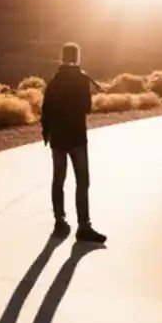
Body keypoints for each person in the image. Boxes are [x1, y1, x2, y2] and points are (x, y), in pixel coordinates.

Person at [41, 42, 107, 243]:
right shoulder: (81, 80)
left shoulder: (54, 81)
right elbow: (86, 108)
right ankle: (83, 226)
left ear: (62, 57)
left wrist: (47, 133)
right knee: (82, 181)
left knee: (58, 180)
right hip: (77, 137)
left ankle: (59, 221)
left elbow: (46, 109)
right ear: (78, 57)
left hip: (58, 138)